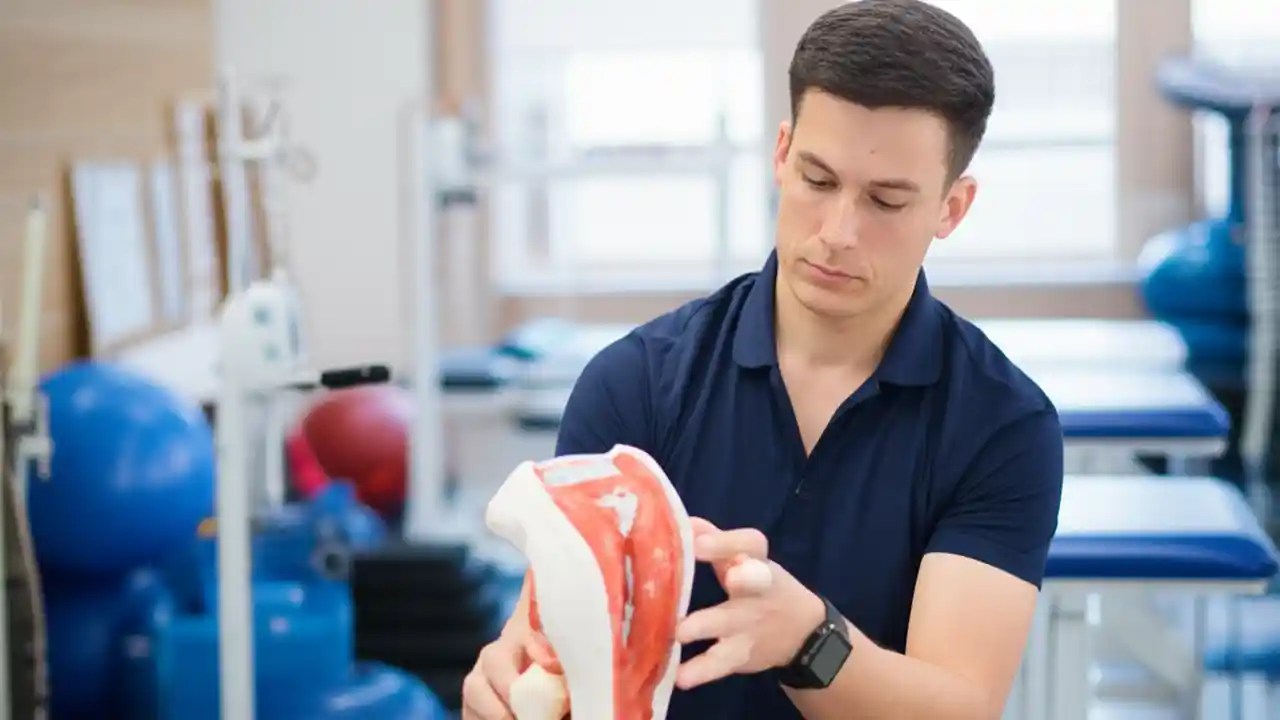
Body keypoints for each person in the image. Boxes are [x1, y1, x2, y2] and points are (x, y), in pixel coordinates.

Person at [462, 0, 1063, 717]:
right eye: (818, 180)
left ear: (952, 208)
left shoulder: (1002, 425)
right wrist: (509, 682)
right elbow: (554, 643)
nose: (839, 231)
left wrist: (808, 640)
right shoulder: (636, 386)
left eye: (886, 201)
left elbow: (957, 707)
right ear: (781, 155)